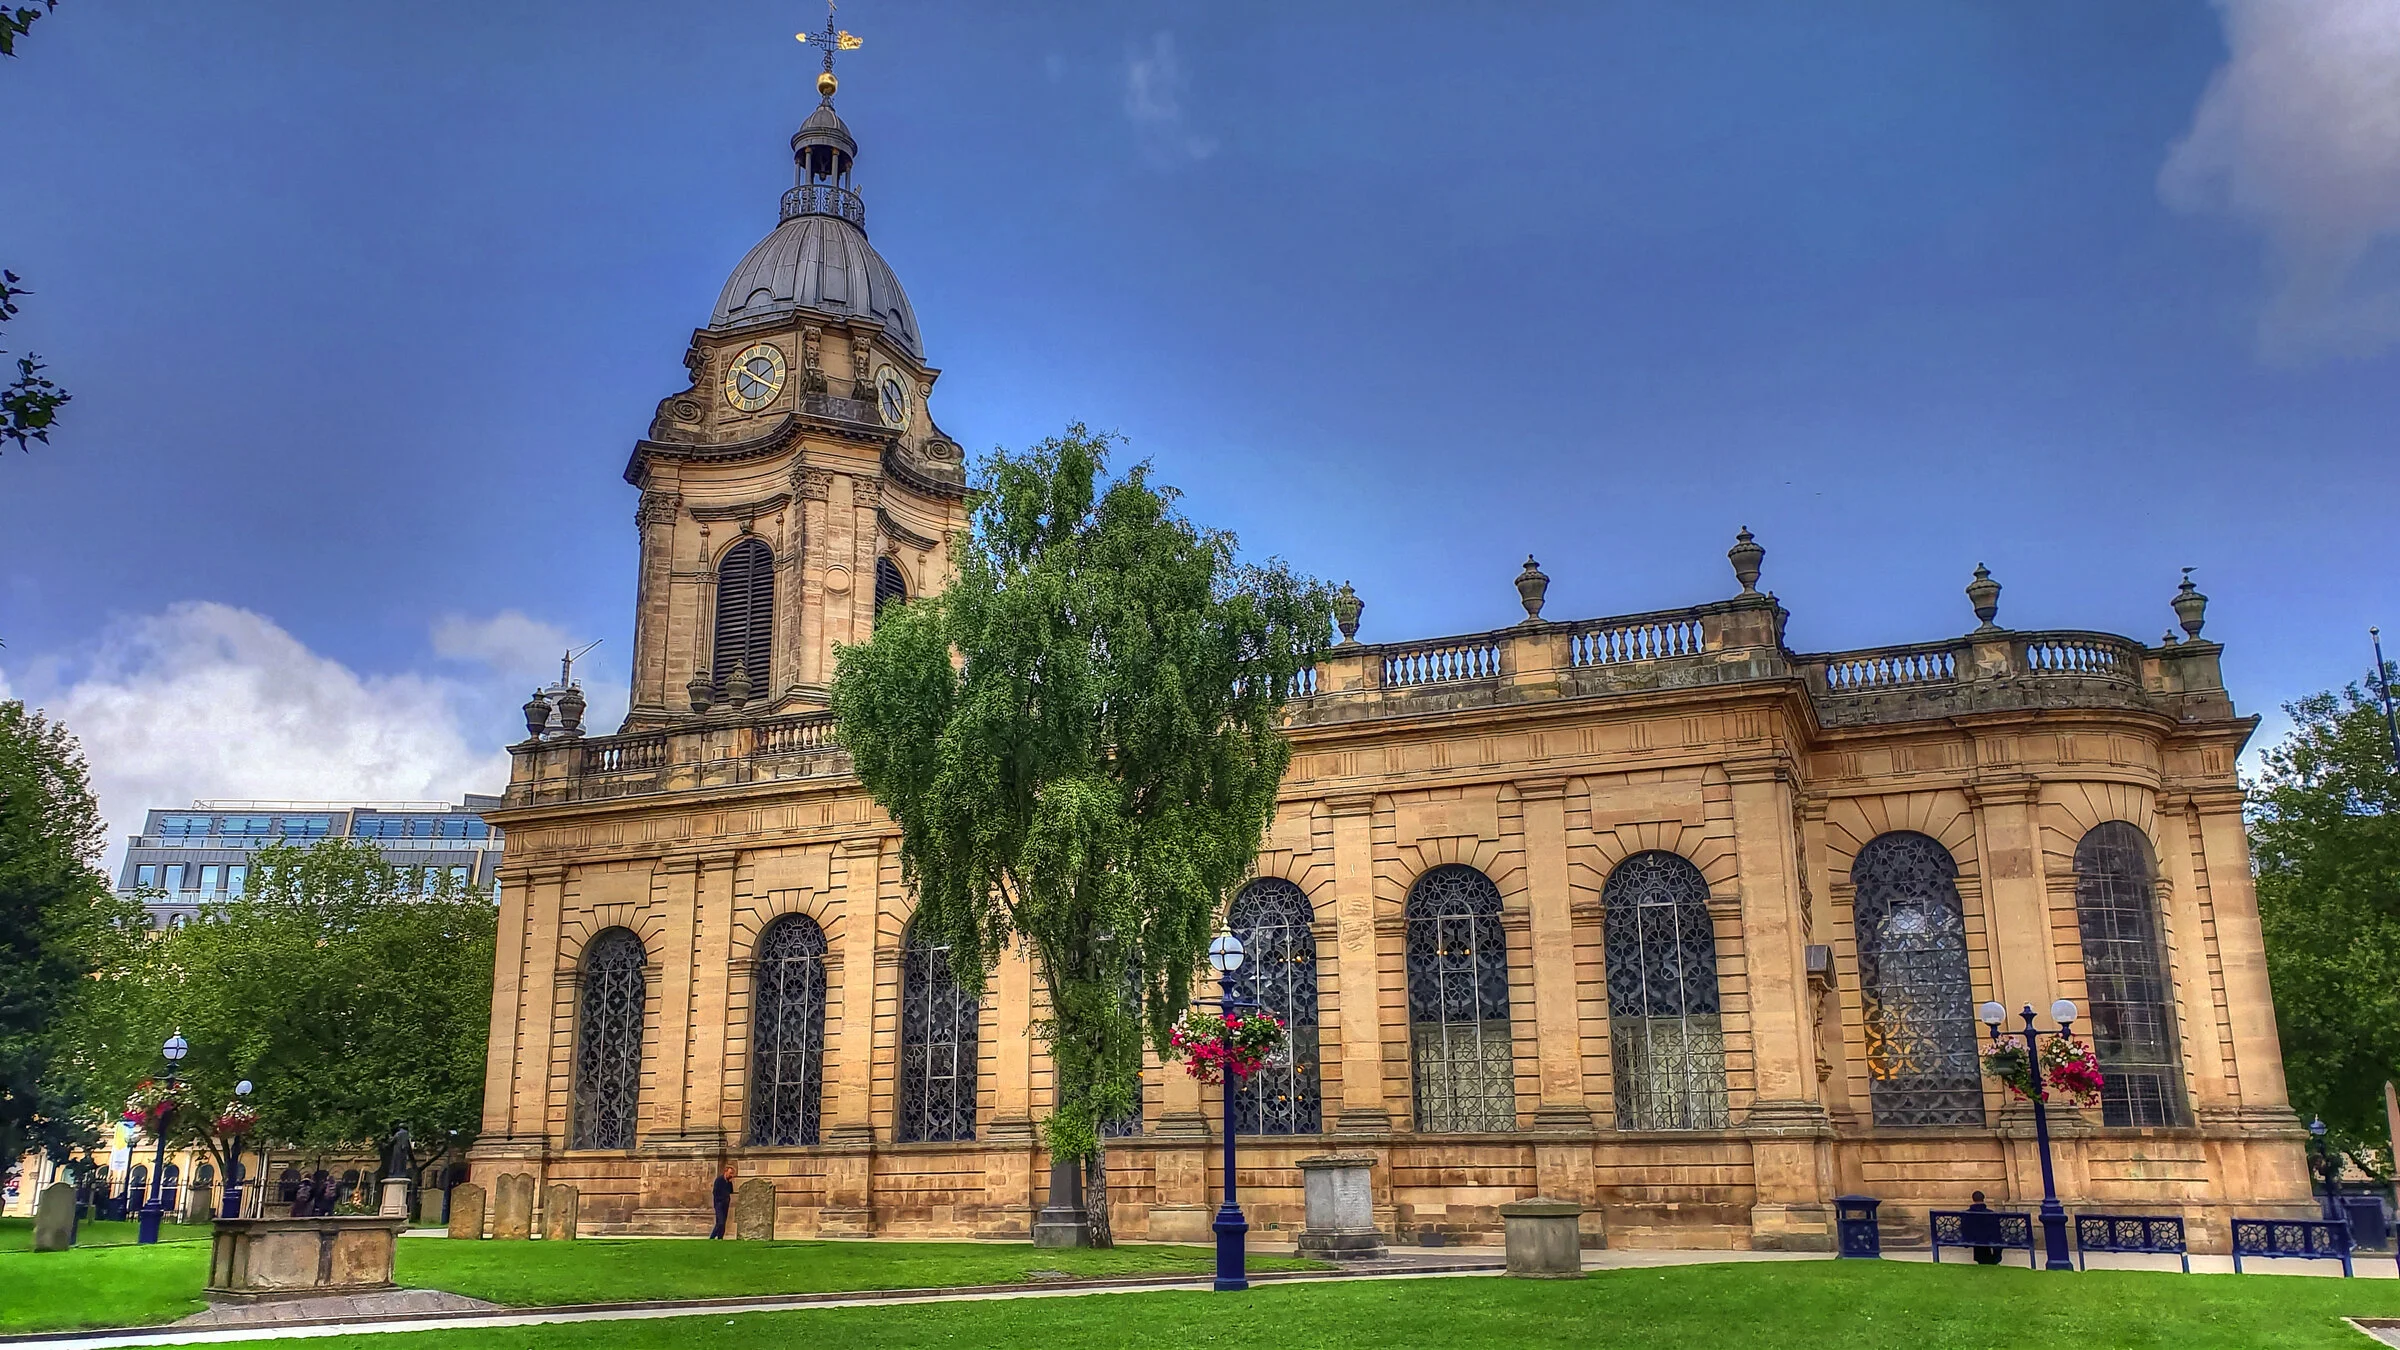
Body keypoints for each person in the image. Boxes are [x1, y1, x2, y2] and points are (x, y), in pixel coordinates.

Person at [1967, 1190, 2002, 1265]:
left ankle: (1983, 1260)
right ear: (1983, 1199)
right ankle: (1995, 1258)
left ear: (1973, 1199)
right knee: (1996, 1237)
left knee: (1978, 1236)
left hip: (1972, 1238)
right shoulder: (1990, 1213)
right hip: (1989, 1237)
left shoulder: (1967, 1213)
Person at [710, 1163, 735, 1239]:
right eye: (730, 1173)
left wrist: (730, 1182)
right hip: (719, 1203)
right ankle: (714, 1237)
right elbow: (715, 1192)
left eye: (732, 1173)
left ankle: (719, 1237)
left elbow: (731, 1191)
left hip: (725, 1204)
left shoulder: (728, 1182)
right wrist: (720, 1199)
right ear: (726, 1172)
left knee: (722, 1222)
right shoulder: (719, 1180)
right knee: (720, 1221)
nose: (731, 1175)